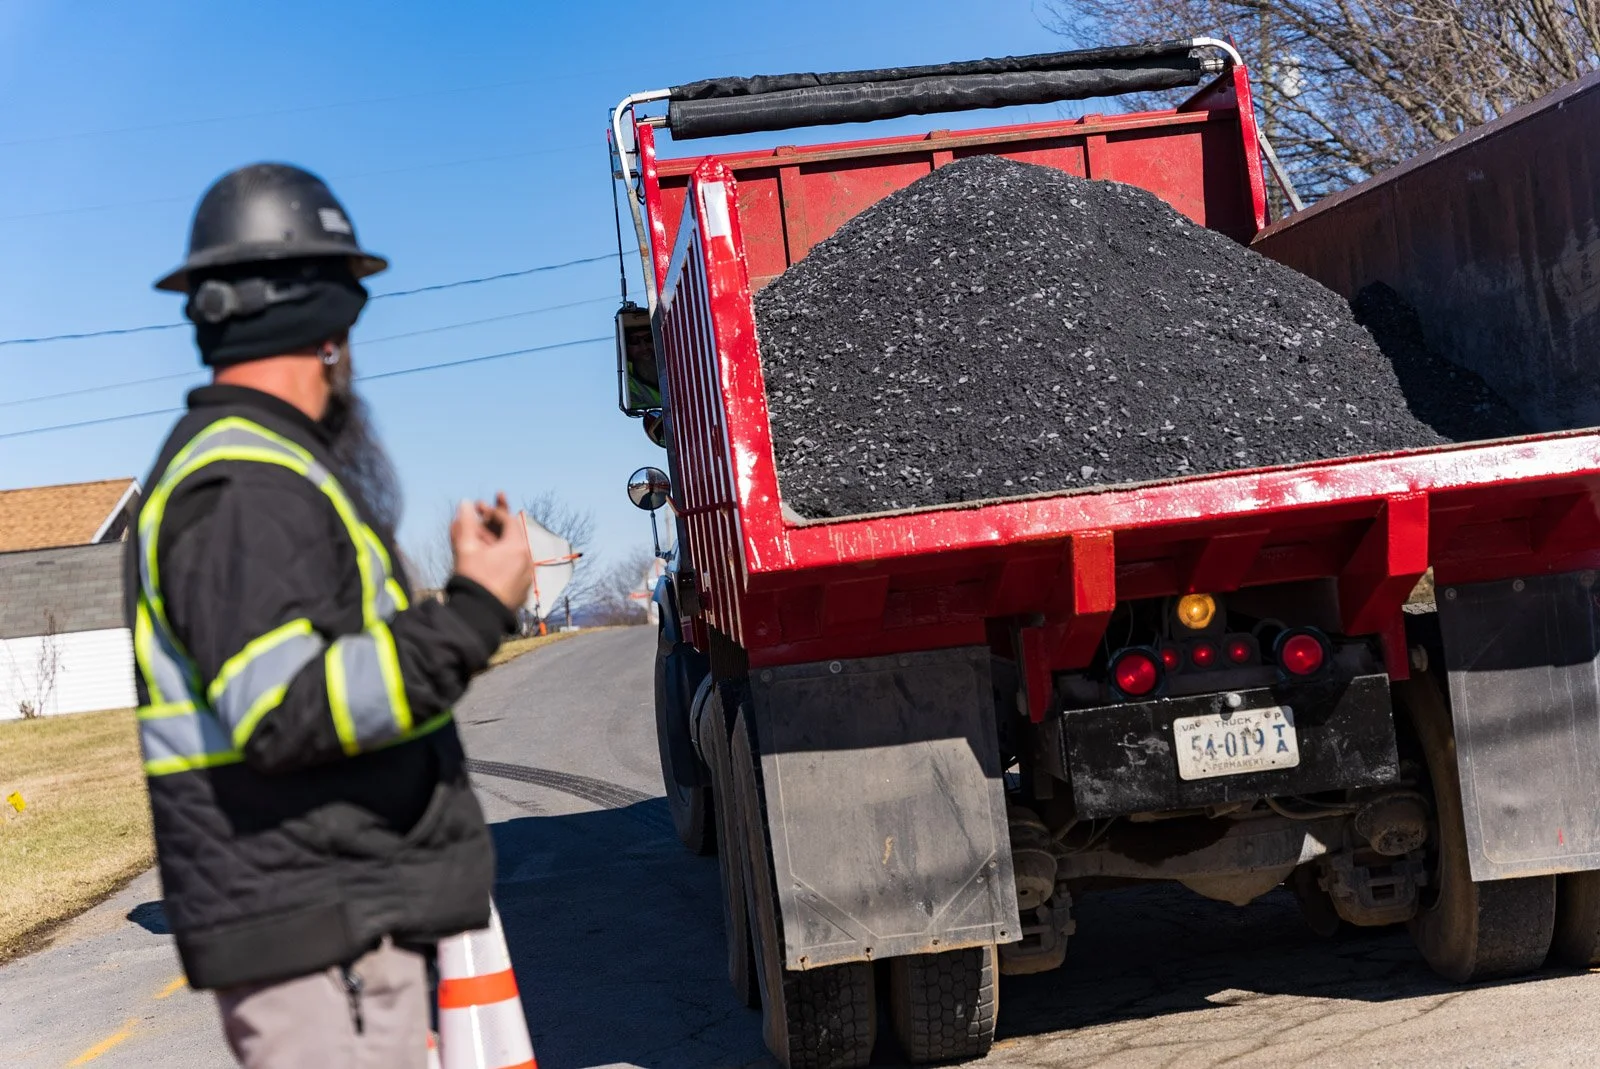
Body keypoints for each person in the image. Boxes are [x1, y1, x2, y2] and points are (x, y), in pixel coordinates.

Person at [128, 162, 534, 1068]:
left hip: (331, 910)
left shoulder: (265, 470)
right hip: (310, 924)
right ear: (324, 328)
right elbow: (286, 708)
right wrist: (474, 608)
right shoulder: (245, 486)